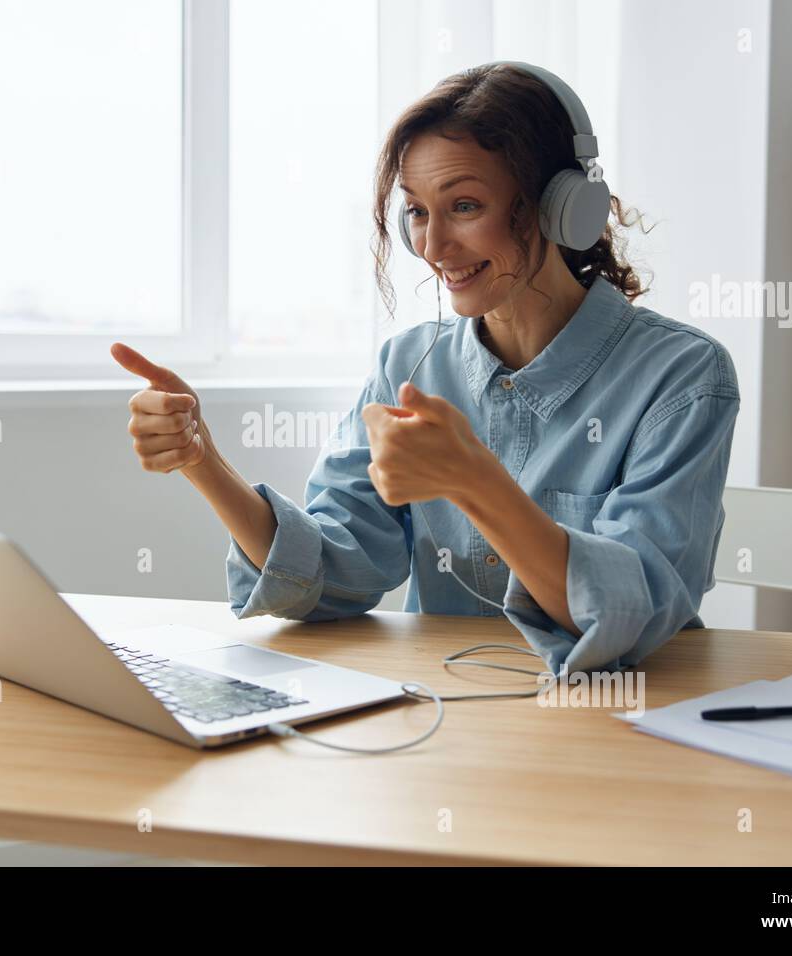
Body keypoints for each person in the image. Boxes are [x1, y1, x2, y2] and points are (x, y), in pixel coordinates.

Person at [111, 62, 739, 676]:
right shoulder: (408, 365)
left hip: (621, 727)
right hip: (449, 718)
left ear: (561, 207)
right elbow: (330, 576)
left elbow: (631, 614)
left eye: (464, 205)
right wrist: (204, 461)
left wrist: (476, 482)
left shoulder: (683, 376)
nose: (432, 248)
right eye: (415, 211)